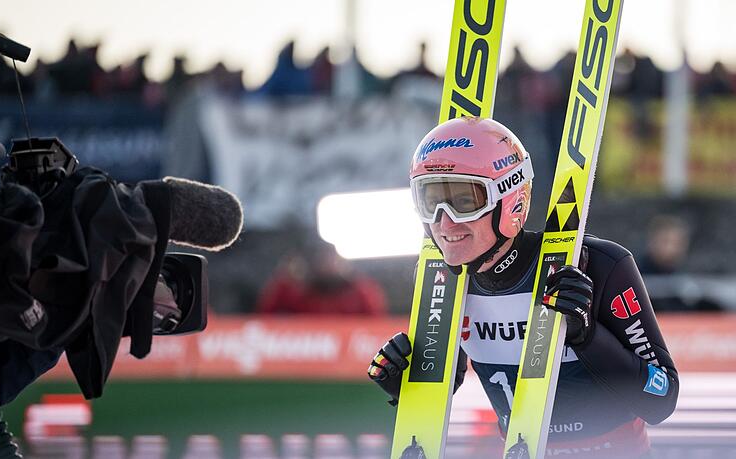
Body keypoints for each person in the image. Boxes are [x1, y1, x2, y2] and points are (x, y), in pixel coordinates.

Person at [367, 117, 678, 458]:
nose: (444, 222)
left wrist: (587, 336)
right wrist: (405, 383)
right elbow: (447, 377)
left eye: (464, 201)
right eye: (430, 201)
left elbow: (660, 399)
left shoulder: (597, 264)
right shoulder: (442, 278)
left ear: (509, 200)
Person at [257, 239, 388, 316]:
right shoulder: (300, 294)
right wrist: (285, 276)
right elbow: (268, 317)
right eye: (323, 258)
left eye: (332, 258)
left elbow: (376, 322)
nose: (327, 264)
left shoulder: (358, 292)